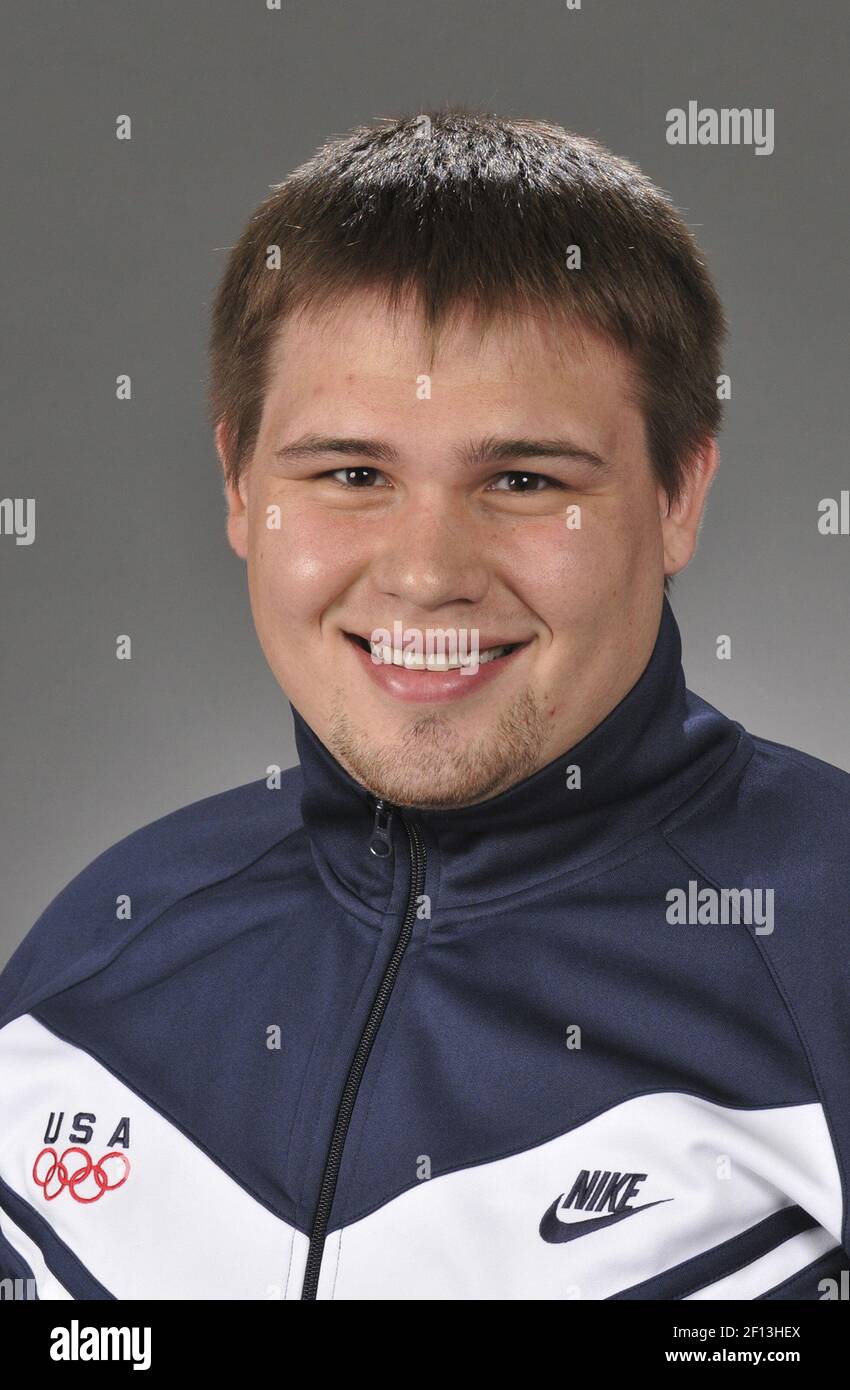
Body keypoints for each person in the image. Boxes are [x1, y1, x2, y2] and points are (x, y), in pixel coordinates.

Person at [1, 108, 847, 1302]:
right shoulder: (93, 960)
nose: (424, 569)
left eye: (521, 478)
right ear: (241, 484)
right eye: (352, 473)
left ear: (675, 496)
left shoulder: (825, 938)